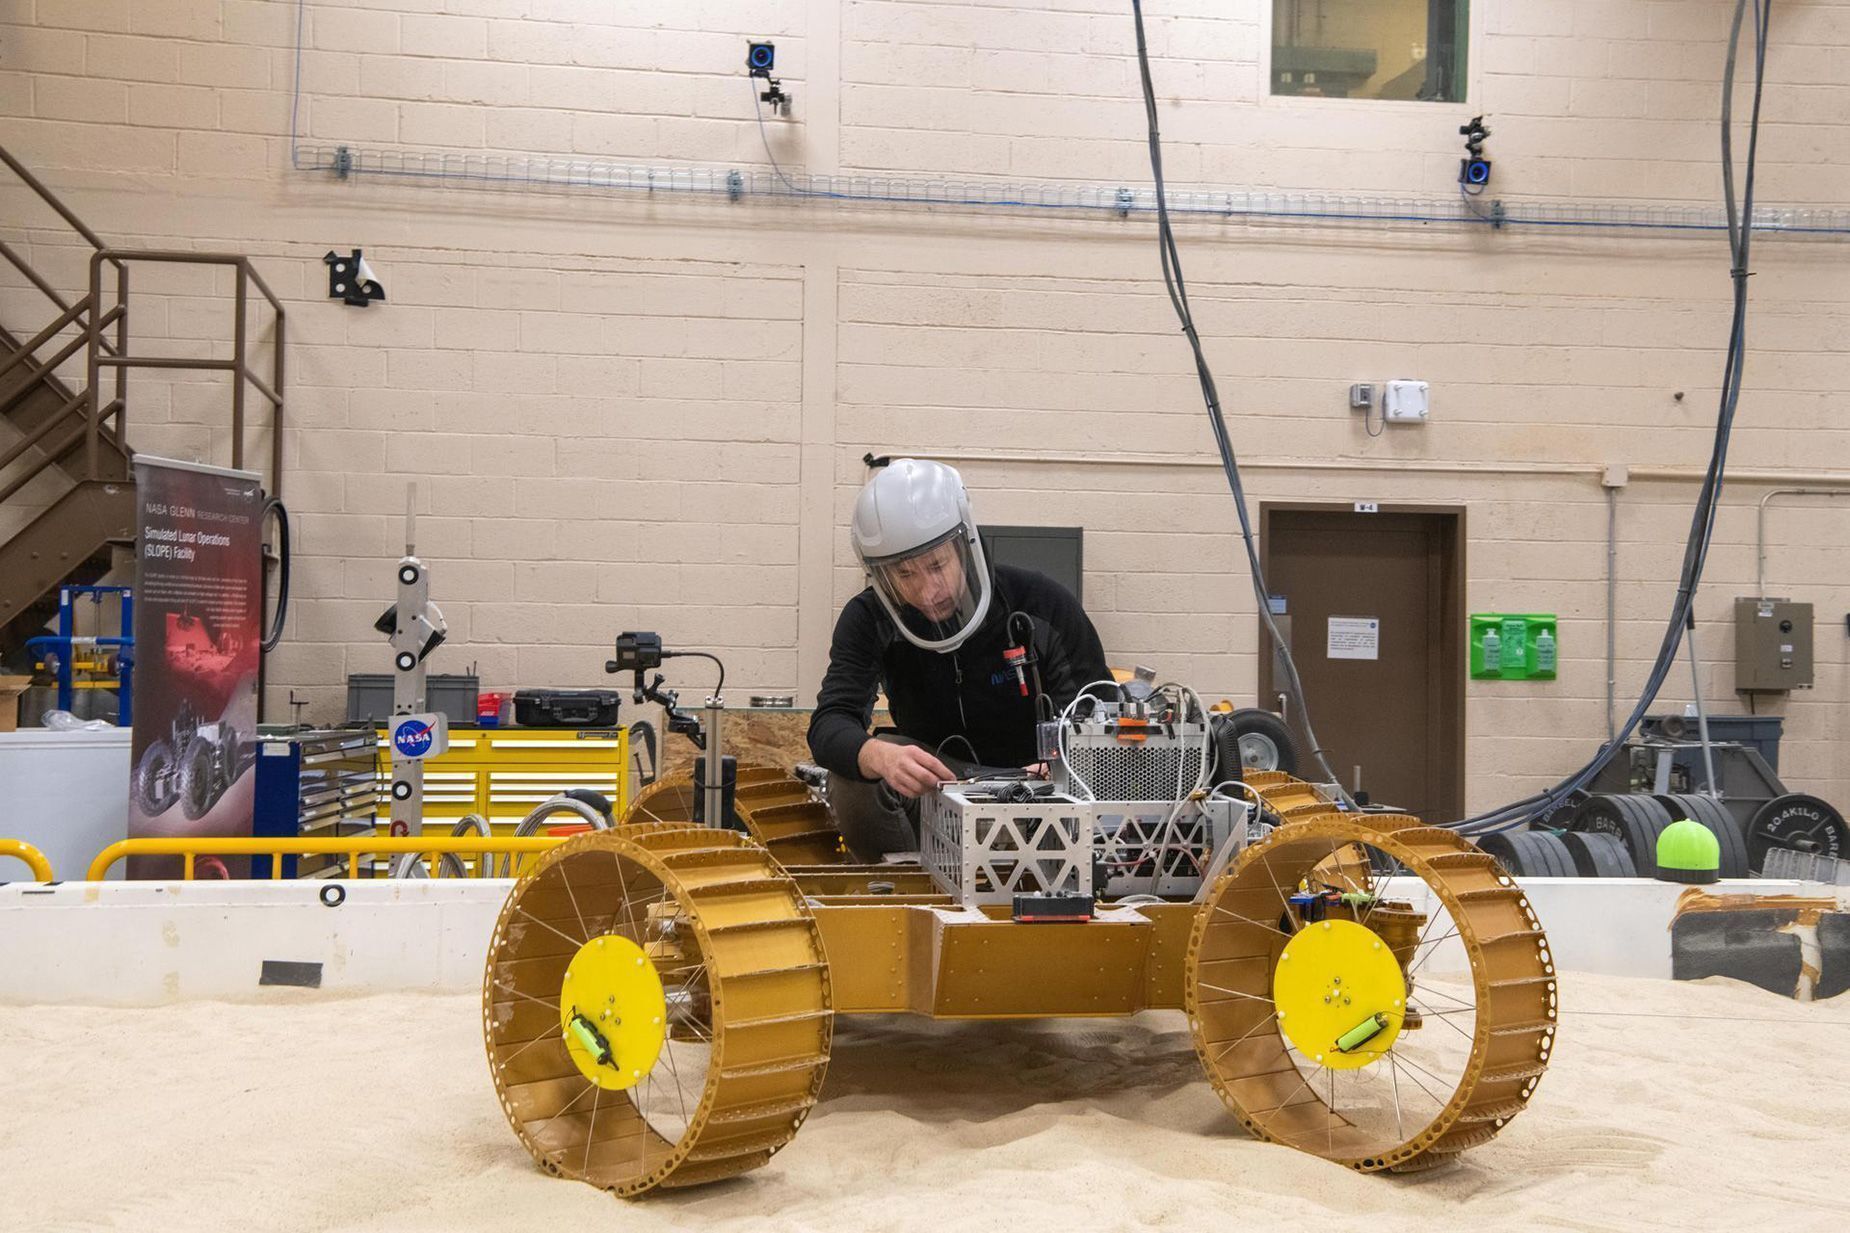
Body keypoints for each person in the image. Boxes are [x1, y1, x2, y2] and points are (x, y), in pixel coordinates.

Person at [807, 458, 1113, 860]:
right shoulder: (869, 619)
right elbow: (829, 723)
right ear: (881, 576)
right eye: (905, 575)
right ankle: (902, 892)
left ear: (965, 546)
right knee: (853, 777)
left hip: (1033, 787)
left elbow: (1102, 708)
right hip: (936, 785)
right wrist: (879, 756)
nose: (929, 589)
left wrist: (1061, 763)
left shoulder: (1040, 602)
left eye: (937, 566)